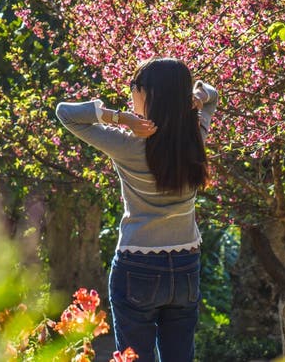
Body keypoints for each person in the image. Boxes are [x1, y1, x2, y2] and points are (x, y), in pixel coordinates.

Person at [56, 57, 218, 362]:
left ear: (148, 95)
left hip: (138, 265)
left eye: (134, 87)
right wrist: (194, 99)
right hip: (186, 266)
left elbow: (65, 113)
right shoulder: (195, 137)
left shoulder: (126, 144)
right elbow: (212, 94)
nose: (131, 94)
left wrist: (122, 119)